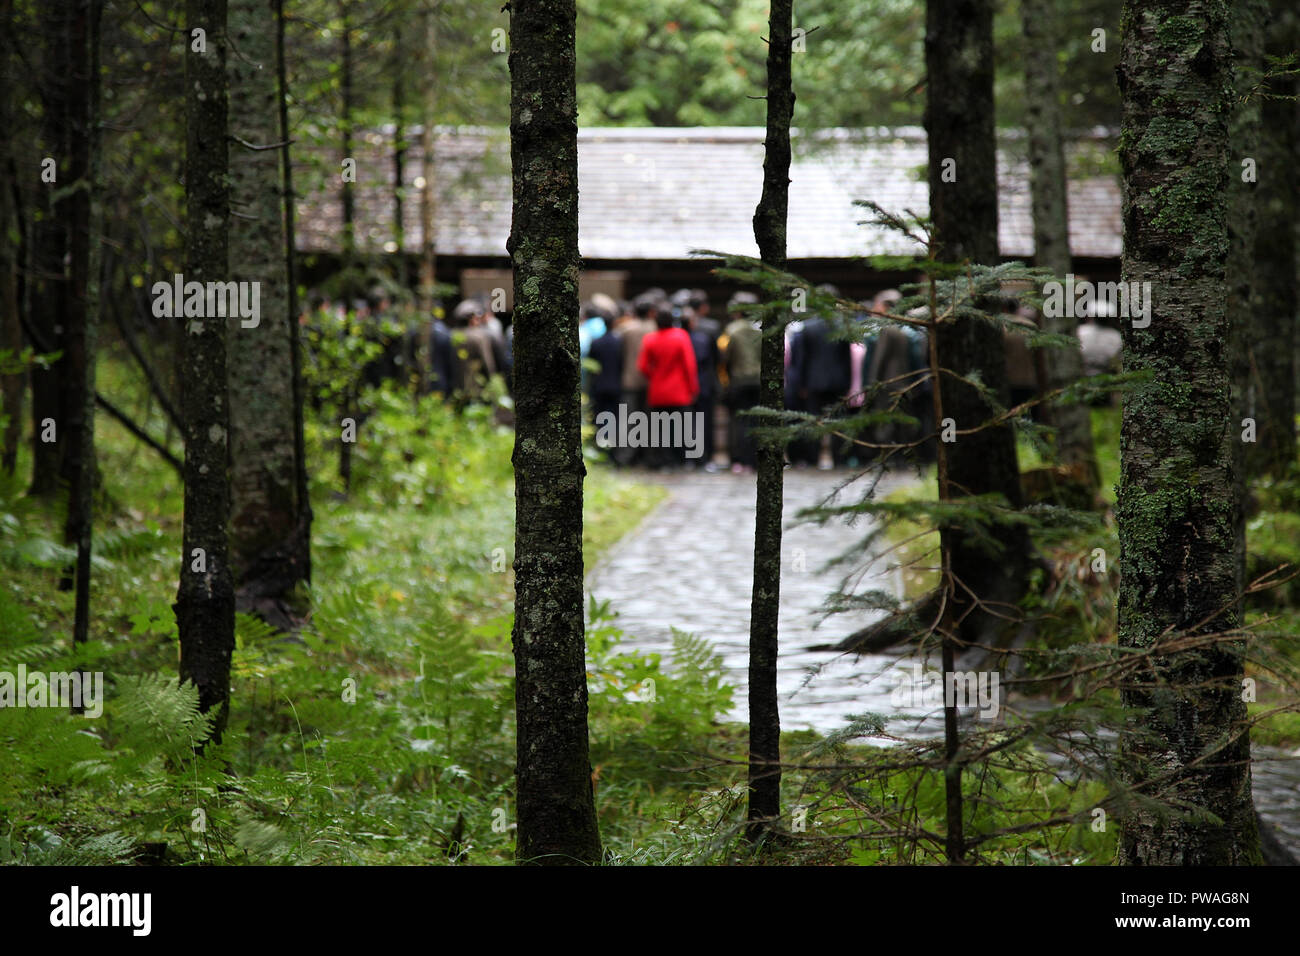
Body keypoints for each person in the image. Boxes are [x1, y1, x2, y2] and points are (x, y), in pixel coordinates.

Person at [791, 285, 852, 467]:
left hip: (812, 382)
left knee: (813, 420)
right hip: (839, 382)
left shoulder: (808, 327)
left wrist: (800, 384)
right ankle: (839, 459)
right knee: (838, 421)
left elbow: (800, 360)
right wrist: (848, 383)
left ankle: (813, 459)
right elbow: (846, 359)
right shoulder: (843, 326)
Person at [637, 307, 699, 469]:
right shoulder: (681, 336)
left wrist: (654, 376)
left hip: (658, 391)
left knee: (660, 428)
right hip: (679, 391)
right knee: (682, 426)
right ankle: (684, 460)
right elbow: (689, 366)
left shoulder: (650, 339)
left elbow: (643, 366)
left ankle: (664, 461)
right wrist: (693, 388)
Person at [720, 291, 761, 471]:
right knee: (757, 419)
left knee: (739, 422)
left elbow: (725, 358)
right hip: (759, 380)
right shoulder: (761, 328)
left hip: (738, 380)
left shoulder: (732, 330)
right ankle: (754, 459)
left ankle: (739, 460)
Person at [618, 293, 659, 465]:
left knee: (630, 421)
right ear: (651, 312)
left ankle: (627, 457)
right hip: (651, 381)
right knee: (652, 422)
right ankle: (649, 456)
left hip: (629, 379)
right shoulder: (655, 329)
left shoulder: (626, 330)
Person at [687, 306, 721, 470]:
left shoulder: (682, 339)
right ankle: (705, 457)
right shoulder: (704, 338)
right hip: (704, 385)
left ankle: (689, 457)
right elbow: (716, 360)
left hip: (686, 387)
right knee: (705, 422)